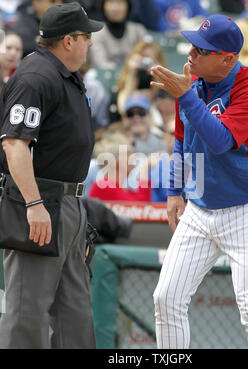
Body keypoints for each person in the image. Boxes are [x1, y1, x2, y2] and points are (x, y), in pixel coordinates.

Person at [151, 14, 248, 349]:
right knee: (166, 297)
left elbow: (220, 140)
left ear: (228, 58)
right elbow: (182, 141)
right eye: (193, 45)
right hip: (200, 206)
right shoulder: (193, 85)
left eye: (201, 49)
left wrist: (186, 96)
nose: (191, 53)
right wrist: (175, 192)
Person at [0, 2, 103, 349]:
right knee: (26, 311)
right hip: (40, 201)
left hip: (69, 203)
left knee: (75, 312)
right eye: (87, 36)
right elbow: (15, 145)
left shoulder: (66, 77)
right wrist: (33, 203)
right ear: (69, 41)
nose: (91, 43)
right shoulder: (36, 76)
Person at [88, 130, 152, 201]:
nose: (134, 158)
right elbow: (139, 207)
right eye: (129, 154)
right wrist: (144, 170)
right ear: (117, 160)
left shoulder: (123, 189)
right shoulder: (103, 186)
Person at [90, 0, 147, 70]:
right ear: (103, 6)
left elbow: (146, 61)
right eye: (111, 2)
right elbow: (101, 64)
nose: (115, 8)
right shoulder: (96, 33)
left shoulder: (138, 31)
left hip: (134, 78)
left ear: (128, 6)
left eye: (120, 2)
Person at [7, 0, 73, 57]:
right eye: (52, 1)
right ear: (36, 2)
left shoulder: (67, 22)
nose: (59, 4)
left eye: (62, 1)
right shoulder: (22, 25)